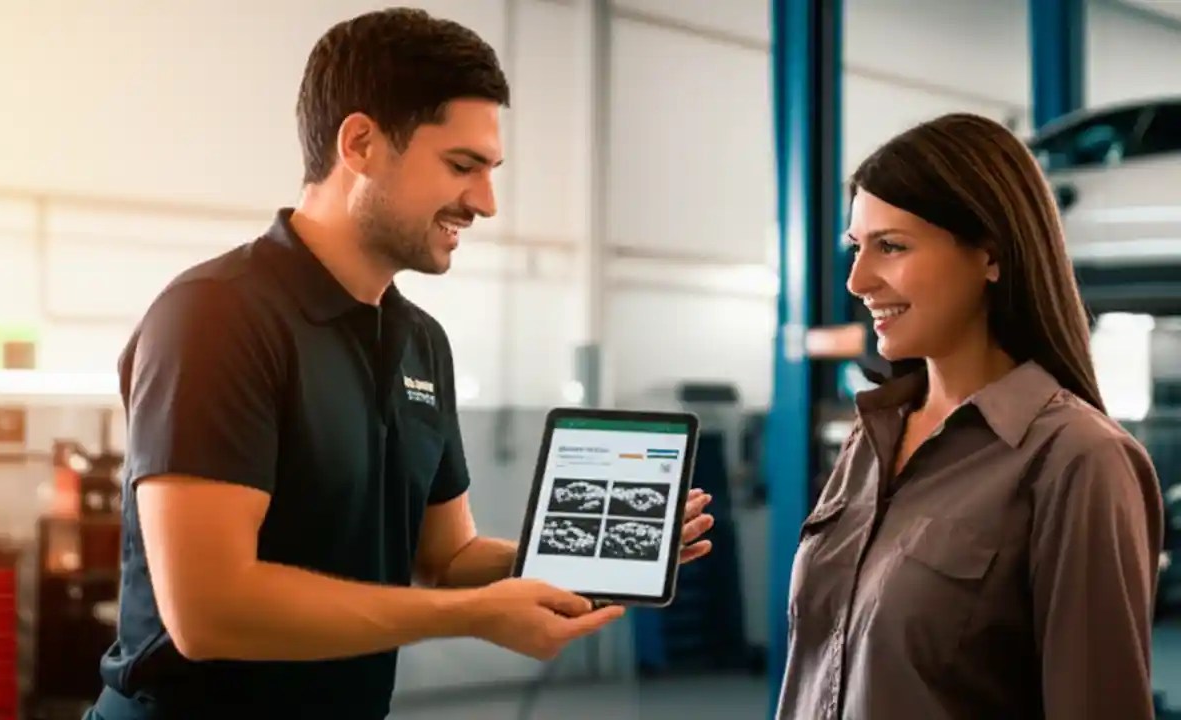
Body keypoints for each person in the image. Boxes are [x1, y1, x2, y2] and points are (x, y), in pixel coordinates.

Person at [86, 9, 715, 719]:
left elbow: (445, 558)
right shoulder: (216, 316)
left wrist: (587, 549)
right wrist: (474, 616)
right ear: (360, 143)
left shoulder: (420, 342)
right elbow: (209, 612)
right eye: (461, 166)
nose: (485, 202)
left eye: (490, 170)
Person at [775, 113, 1164, 720]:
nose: (858, 280)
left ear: (990, 254)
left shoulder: (1075, 459)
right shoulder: (871, 439)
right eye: (857, 247)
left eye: (892, 247)